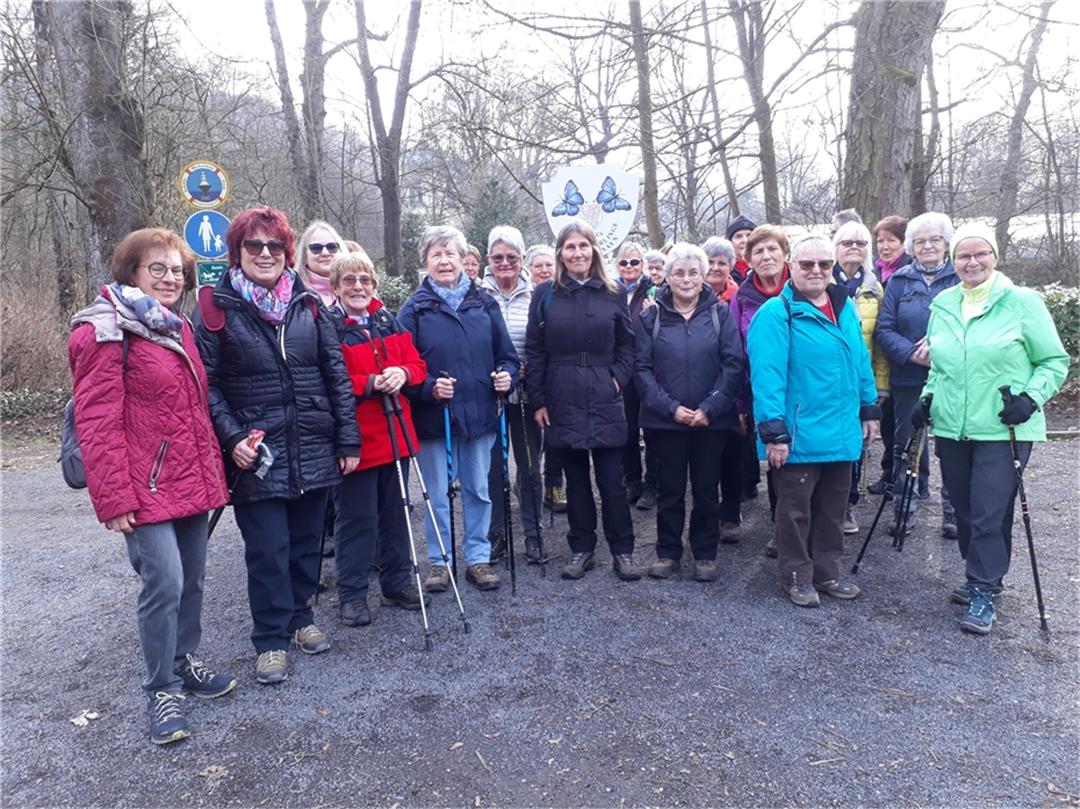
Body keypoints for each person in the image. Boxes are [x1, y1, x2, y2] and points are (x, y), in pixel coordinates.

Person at [69, 228, 236, 746]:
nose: (169, 278)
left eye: (176, 270)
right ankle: (161, 686)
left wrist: (216, 469)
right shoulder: (104, 330)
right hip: (143, 485)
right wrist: (114, 497)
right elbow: (97, 421)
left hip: (187, 478)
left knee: (192, 578)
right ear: (130, 273)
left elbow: (191, 412)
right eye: (156, 268)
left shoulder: (175, 327)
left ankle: (184, 662)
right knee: (162, 580)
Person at [194, 206, 361, 686]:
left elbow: (335, 374)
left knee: (307, 544)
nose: (264, 254)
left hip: (312, 443)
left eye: (273, 246)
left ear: (287, 253)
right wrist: (231, 439)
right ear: (238, 252)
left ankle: (300, 617)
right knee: (268, 549)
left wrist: (346, 437)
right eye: (253, 246)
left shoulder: (308, 303)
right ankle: (269, 639)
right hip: (257, 454)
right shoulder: (216, 308)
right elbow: (207, 385)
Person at [915, 223, 1068, 634]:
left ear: (995, 257)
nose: (972, 262)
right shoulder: (944, 304)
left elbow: (1054, 361)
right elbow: (940, 367)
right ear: (953, 261)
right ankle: (982, 575)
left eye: (980, 253)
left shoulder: (1022, 302)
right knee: (966, 510)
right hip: (952, 426)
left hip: (1004, 426)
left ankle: (983, 588)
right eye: (963, 256)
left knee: (987, 510)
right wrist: (927, 398)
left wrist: (1031, 398)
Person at [747, 233, 881, 607]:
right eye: (807, 264)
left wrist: (869, 408)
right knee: (794, 514)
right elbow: (767, 376)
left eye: (824, 264)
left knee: (832, 512)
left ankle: (827, 574)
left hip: (840, 433)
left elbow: (859, 363)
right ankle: (797, 577)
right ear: (792, 266)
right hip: (799, 436)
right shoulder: (777, 314)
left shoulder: (845, 309)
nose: (816, 271)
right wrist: (774, 431)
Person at [397, 226, 518, 592]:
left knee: (478, 490)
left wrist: (506, 376)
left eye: (450, 253)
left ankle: (478, 558)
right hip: (436, 418)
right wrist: (429, 386)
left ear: (464, 259)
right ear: (425, 262)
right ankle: (440, 560)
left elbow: (507, 357)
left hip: (480, 413)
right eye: (436, 254)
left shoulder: (484, 303)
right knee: (437, 492)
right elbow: (403, 366)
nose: (444, 260)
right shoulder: (413, 309)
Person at [526, 221, 640, 581]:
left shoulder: (613, 292)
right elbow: (535, 350)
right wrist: (539, 400)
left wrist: (618, 378)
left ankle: (623, 549)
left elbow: (627, 344)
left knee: (611, 480)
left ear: (594, 250)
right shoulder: (545, 295)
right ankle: (581, 547)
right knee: (575, 480)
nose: (577, 253)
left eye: (583, 246)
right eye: (570, 247)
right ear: (560, 253)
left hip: (604, 391)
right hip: (562, 393)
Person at [328, 250, 430, 627]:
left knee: (397, 514)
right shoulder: (329, 326)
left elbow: (419, 366)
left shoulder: (389, 320)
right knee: (357, 520)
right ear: (336, 287)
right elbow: (329, 382)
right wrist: (370, 382)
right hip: (357, 441)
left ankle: (396, 582)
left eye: (365, 280)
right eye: (350, 280)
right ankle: (352, 594)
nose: (358, 287)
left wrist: (402, 373)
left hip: (396, 435)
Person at [635, 244, 743, 581]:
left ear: (702, 276)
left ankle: (705, 553)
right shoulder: (650, 318)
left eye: (692, 272)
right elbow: (641, 369)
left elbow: (734, 364)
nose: (686, 279)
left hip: (710, 422)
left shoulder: (720, 314)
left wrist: (710, 407)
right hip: (666, 423)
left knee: (707, 488)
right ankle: (668, 553)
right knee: (669, 489)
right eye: (679, 272)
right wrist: (671, 408)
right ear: (666, 277)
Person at [874, 212, 959, 538]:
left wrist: (939, 348)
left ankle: (953, 513)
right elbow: (884, 327)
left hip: (952, 374)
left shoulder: (960, 277)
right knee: (906, 443)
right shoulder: (899, 281)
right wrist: (910, 353)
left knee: (951, 444)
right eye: (920, 241)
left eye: (934, 239)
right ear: (911, 246)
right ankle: (904, 509)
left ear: (946, 243)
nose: (927, 246)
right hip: (908, 375)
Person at [481, 226, 544, 564]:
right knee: (493, 472)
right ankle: (497, 535)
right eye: (498, 257)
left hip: (528, 396)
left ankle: (533, 535)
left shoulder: (537, 297)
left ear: (522, 260)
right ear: (488, 259)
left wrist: (528, 370)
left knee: (531, 469)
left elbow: (546, 345)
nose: (505, 263)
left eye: (512, 257)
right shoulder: (476, 295)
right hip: (489, 397)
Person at [730, 224, 792, 544]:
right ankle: (781, 527)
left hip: (802, 390)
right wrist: (740, 405)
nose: (766, 256)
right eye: (758, 251)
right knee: (776, 459)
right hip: (760, 391)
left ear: (785, 254)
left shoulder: (803, 287)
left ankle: (808, 528)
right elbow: (735, 353)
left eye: (773, 249)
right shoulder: (742, 297)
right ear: (749, 259)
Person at [832, 221, 889, 535]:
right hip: (828, 379)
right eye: (846, 242)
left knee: (857, 444)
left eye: (861, 242)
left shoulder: (876, 289)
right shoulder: (820, 281)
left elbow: (880, 342)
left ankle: (847, 504)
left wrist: (880, 385)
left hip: (861, 379)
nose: (854, 247)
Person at [865, 215, 911, 494]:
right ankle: (888, 472)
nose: (884, 246)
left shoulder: (908, 271)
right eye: (880, 241)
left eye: (890, 240)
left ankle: (903, 478)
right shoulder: (875, 273)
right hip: (879, 357)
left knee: (903, 426)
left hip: (903, 358)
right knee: (888, 423)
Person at [614, 240, 658, 511]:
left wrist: (652, 313)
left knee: (652, 428)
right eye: (624, 262)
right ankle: (632, 479)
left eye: (635, 262)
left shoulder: (655, 290)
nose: (629, 267)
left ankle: (653, 483)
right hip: (623, 368)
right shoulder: (610, 291)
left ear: (643, 264)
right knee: (626, 429)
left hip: (650, 367)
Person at [525, 244, 567, 513]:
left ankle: (554, 485)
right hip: (524, 376)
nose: (543, 270)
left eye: (548, 264)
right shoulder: (526, 295)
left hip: (554, 376)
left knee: (553, 435)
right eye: (538, 265)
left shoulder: (557, 294)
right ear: (529, 270)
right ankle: (527, 483)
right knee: (529, 441)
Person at [296, 220, 345, 307]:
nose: (325, 253)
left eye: (332, 247)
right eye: (316, 248)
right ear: (304, 256)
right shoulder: (295, 294)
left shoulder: (357, 288)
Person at [701, 236, 739, 303]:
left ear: (730, 267)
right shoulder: (689, 293)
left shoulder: (739, 298)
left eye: (721, 263)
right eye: (710, 262)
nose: (715, 268)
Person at [725, 215, 756, 283]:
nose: (745, 240)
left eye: (749, 235)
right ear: (730, 242)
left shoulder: (764, 267)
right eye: (738, 236)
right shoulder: (723, 270)